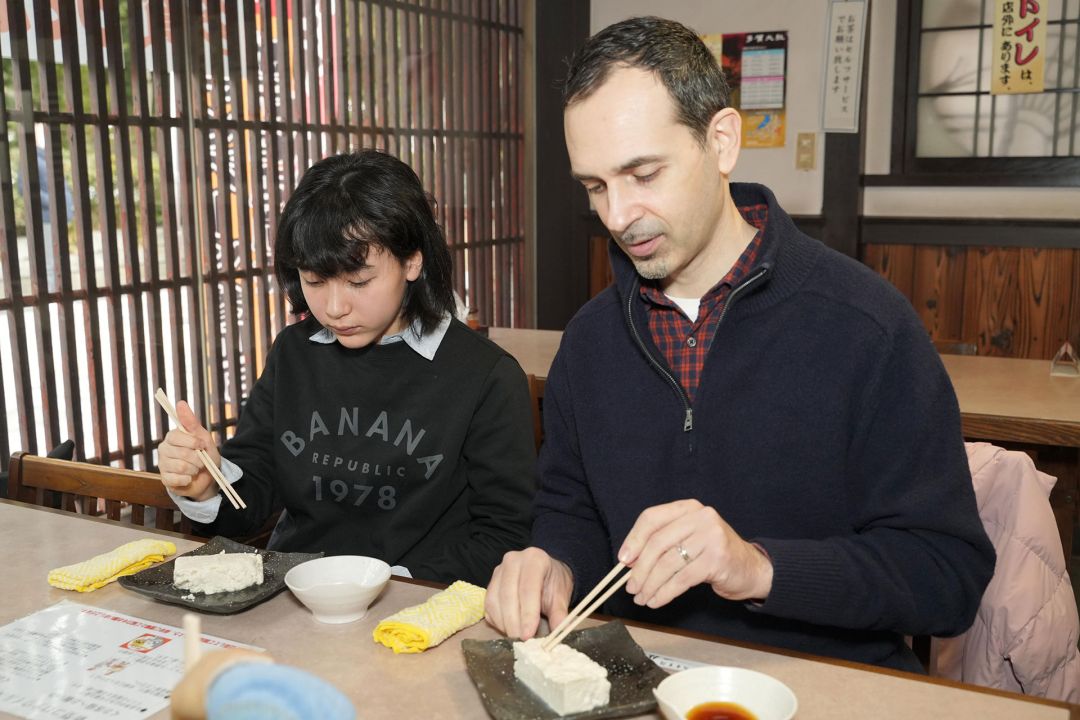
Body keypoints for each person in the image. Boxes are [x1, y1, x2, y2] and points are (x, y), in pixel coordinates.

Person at [485, 16, 995, 672]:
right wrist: (551, 567)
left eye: (643, 174)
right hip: (643, 678)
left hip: (832, 684)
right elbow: (570, 513)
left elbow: (947, 576)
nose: (617, 216)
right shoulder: (590, 342)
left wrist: (757, 567)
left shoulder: (866, 328)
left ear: (722, 141)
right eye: (595, 187)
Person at [158, 150, 536, 586]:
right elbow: (250, 504)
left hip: (416, 602)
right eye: (315, 281)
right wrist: (207, 483)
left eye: (359, 281)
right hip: (293, 599)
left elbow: (504, 535)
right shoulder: (295, 354)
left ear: (412, 260)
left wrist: (384, 588)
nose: (334, 308)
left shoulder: (484, 376)